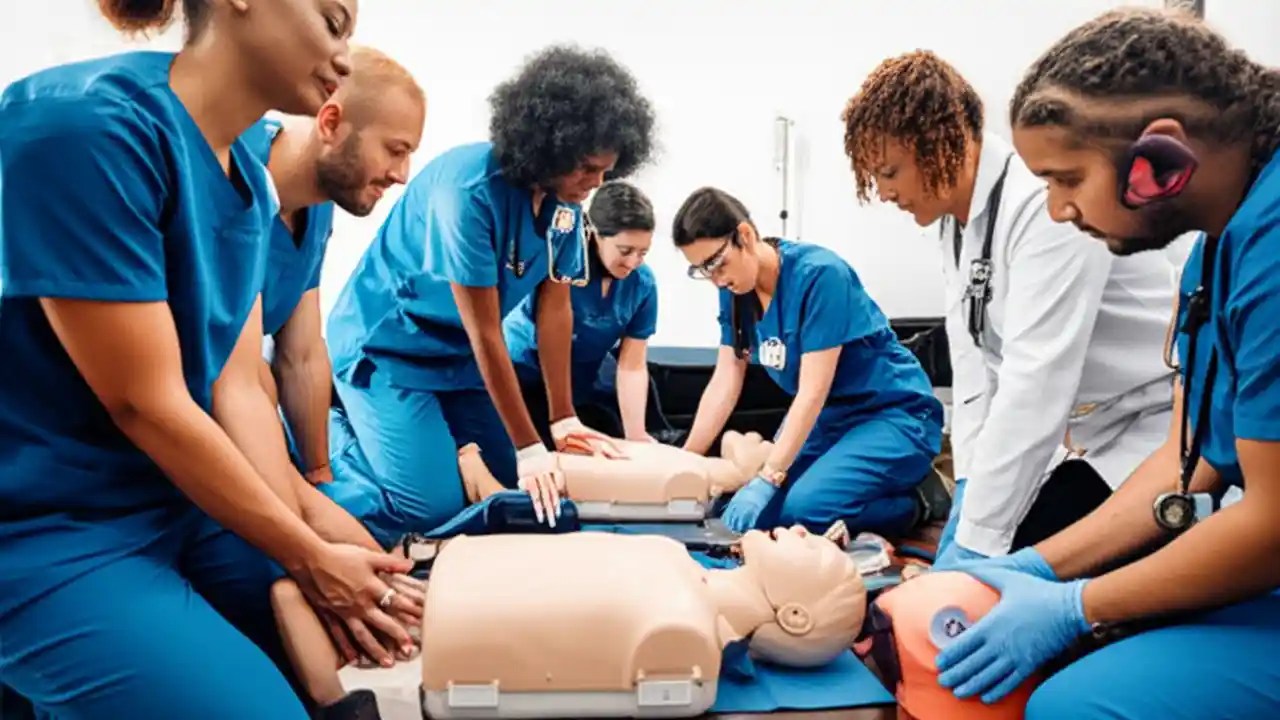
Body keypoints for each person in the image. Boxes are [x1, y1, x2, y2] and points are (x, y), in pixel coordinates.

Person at [0, 1, 424, 717]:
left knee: (358, 644)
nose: (345, 58)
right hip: (46, 529)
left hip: (171, 503)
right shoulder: (84, 128)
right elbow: (147, 404)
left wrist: (348, 542)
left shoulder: (250, 188)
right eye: (332, 20)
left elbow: (241, 391)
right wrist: (308, 556)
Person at [930, 8, 1280, 719]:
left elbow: (1274, 524)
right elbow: (1186, 462)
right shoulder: (1214, 253)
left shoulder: (1271, 250)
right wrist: (1037, 567)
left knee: (1075, 704)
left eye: (1066, 179)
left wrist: (1073, 606)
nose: (1057, 210)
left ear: (1163, 161)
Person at [838, 50, 1178, 569]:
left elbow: (1035, 381)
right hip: (1092, 433)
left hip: (1158, 426)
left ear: (941, 142)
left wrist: (978, 538)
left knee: (1013, 565)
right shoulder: (958, 224)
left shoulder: (1043, 204)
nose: (884, 193)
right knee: (994, 545)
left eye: (889, 171)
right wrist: (969, 493)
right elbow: (976, 369)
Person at [323, 45, 656, 549]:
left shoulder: (565, 207)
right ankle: (328, 433)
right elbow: (485, 330)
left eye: (606, 171)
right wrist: (529, 446)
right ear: (550, 147)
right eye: (588, 168)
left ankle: (459, 458)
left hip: (457, 358)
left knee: (513, 491)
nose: (597, 183)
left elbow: (555, 307)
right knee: (427, 509)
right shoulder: (470, 191)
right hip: (386, 351)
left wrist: (561, 418)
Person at [672, 187, 946, 536]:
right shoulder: (736, 290)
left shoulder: (820, 275)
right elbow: (726, 378)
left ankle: (922, 499)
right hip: (831, 418)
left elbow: (812, 392)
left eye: (717, 264)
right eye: (701, 270)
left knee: (804, 510)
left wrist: (770, 475)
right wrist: (685, 460)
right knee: (761, 514)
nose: (716, 280)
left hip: (892, 415)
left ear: (745, 235)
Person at [243, 45, 426, 485]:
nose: (402, 175)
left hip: (248, 405)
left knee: (349, 505)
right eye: (395, 150)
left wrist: (319, 475)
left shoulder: (317, 207)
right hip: (185, 426)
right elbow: (241, 374)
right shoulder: (234, 173)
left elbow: (301, 355)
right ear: (330, 123)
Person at [504, 180, 659, 445]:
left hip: (582, 381)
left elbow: (631, 365)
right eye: (625, 251)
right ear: (595, 233)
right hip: (525, 377)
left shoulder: (642, 284)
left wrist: (636, 434)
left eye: (643, 252)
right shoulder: (562, 268)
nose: (634, 262)